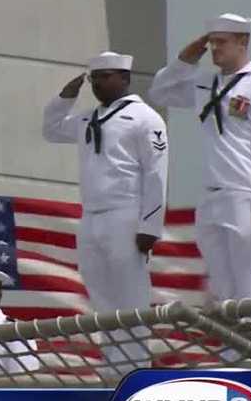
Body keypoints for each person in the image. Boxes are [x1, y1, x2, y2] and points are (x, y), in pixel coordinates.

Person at [149, 14, 251, 302]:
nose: (215, 49)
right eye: (211, 42)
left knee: (249, 280)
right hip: (211, 194)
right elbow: (160, 92)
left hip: (245, 193)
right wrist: (185, 60)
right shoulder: (204, 83)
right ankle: (230, 347)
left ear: (242, 42)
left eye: (222, 42)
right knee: (221, 284)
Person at [42, 51, 168, 315]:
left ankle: (136, 356)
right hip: (91, 216)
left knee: (130, 297)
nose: (97, 83)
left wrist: (150, 226)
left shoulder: (145, 118)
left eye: (105, 77)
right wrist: (66, 97)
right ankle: (114, 356)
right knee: (100, 297)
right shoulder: (88, 118)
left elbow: (156, 173)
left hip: (126, 214)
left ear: (124, 78)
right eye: (94, 78)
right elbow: (51, 129)